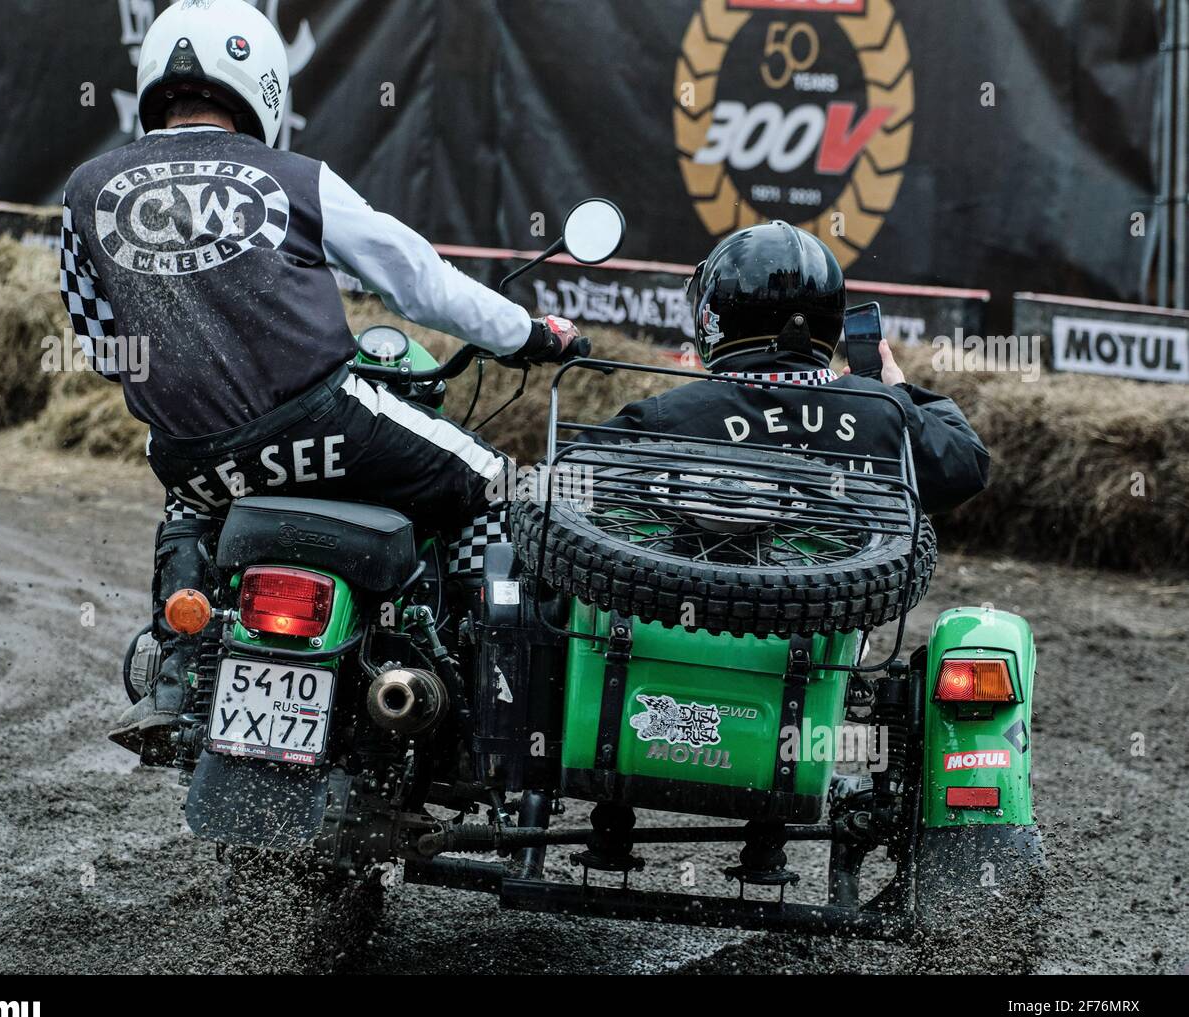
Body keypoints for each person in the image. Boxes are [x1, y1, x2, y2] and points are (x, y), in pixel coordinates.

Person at [58, 0, 579, 756]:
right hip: (324, 424)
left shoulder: (83, 190)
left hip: (193, 459)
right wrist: (530, 332)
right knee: (497, 482)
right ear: (262, 84)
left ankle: (174, 676)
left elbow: (101, 343)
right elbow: (419, 282)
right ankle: (483, 706)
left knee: (185, 511)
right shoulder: (295, 178)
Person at [590, 220, 990, 514]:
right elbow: (968, 466)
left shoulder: (667, 417)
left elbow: (564, 482)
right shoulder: (884, 413)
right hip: (833, 617)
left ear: (716, 316)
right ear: (831, 317)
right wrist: (898, 392)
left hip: (689, 619)